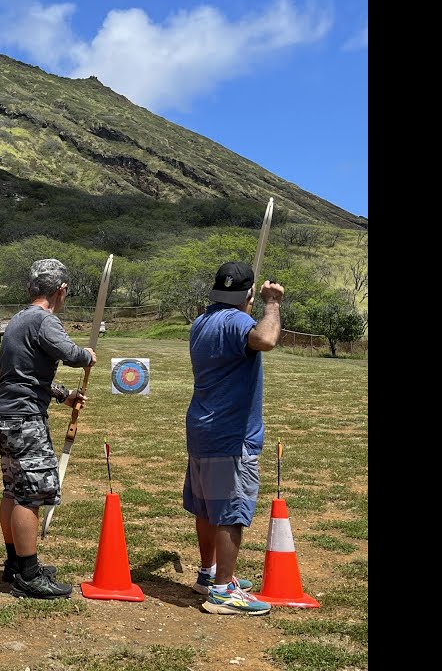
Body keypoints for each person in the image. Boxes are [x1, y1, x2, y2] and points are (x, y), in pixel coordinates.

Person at [0, 259, 95, 599]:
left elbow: (24, 372)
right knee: (30, 495)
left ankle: (16, 564)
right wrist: (87, 355)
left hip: (6, 414)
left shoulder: (19, 320)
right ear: (60, 290)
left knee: (13, 490)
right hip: (24, 418)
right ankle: (29, 574)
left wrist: (63, 395)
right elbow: (72, 355)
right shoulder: (45, 320)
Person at [183, 261, 284, 616]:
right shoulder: (239, 321)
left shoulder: (201, 322)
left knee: (207, 505)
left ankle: (208, 573)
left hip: (202, 428)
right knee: (229, 510)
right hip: (230, 434)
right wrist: (272, 303)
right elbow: (266, 339)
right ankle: (223, 591)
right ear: (249, 294)